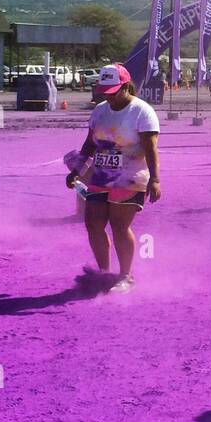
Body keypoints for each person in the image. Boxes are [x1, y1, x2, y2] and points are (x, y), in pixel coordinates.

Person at [67, 64, 161, 294]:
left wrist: (155, 179)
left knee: (120, 226)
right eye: (105, 91)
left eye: (113, 91)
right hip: (100, 176)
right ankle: (104, 274)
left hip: (130, 178)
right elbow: (90, 143)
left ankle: (125, 276)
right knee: (93, 224)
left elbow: (151, 149)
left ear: (125, 86)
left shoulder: (142, 111)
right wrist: (77, 169)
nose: (108, 96)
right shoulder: (100, 110)